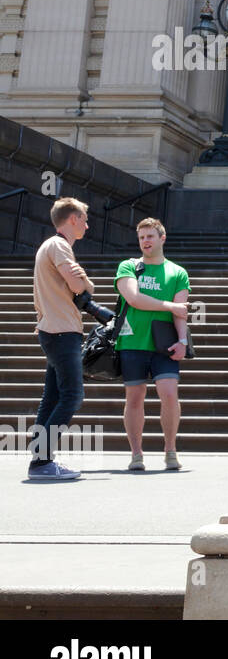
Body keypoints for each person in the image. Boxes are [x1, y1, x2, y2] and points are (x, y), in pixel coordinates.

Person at [28, 198, 95, 481]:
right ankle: (42, 461)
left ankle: (40, 459)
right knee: (72, 395)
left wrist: (84, 283)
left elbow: (83, 288)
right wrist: (83, 281)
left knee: (53, 396)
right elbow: (81, 287)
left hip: (52, 328)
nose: (87, 225)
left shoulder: (50, 246)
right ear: (72, 219)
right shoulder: (59, 246)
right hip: (61, 330)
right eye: (84, 219)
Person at [116, 218, 190, 471]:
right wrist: (168, 305)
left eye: (150, 236)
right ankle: (136, 454)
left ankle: (170, 450)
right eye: (141, 238)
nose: (145, 241)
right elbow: (134, 299)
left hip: (165, 343)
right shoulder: (128, 266)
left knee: (169, 395)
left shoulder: (177, 272)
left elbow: (181, 312)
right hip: (132, 340)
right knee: (134, 397)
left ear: (162, 238)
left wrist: (183, 341)